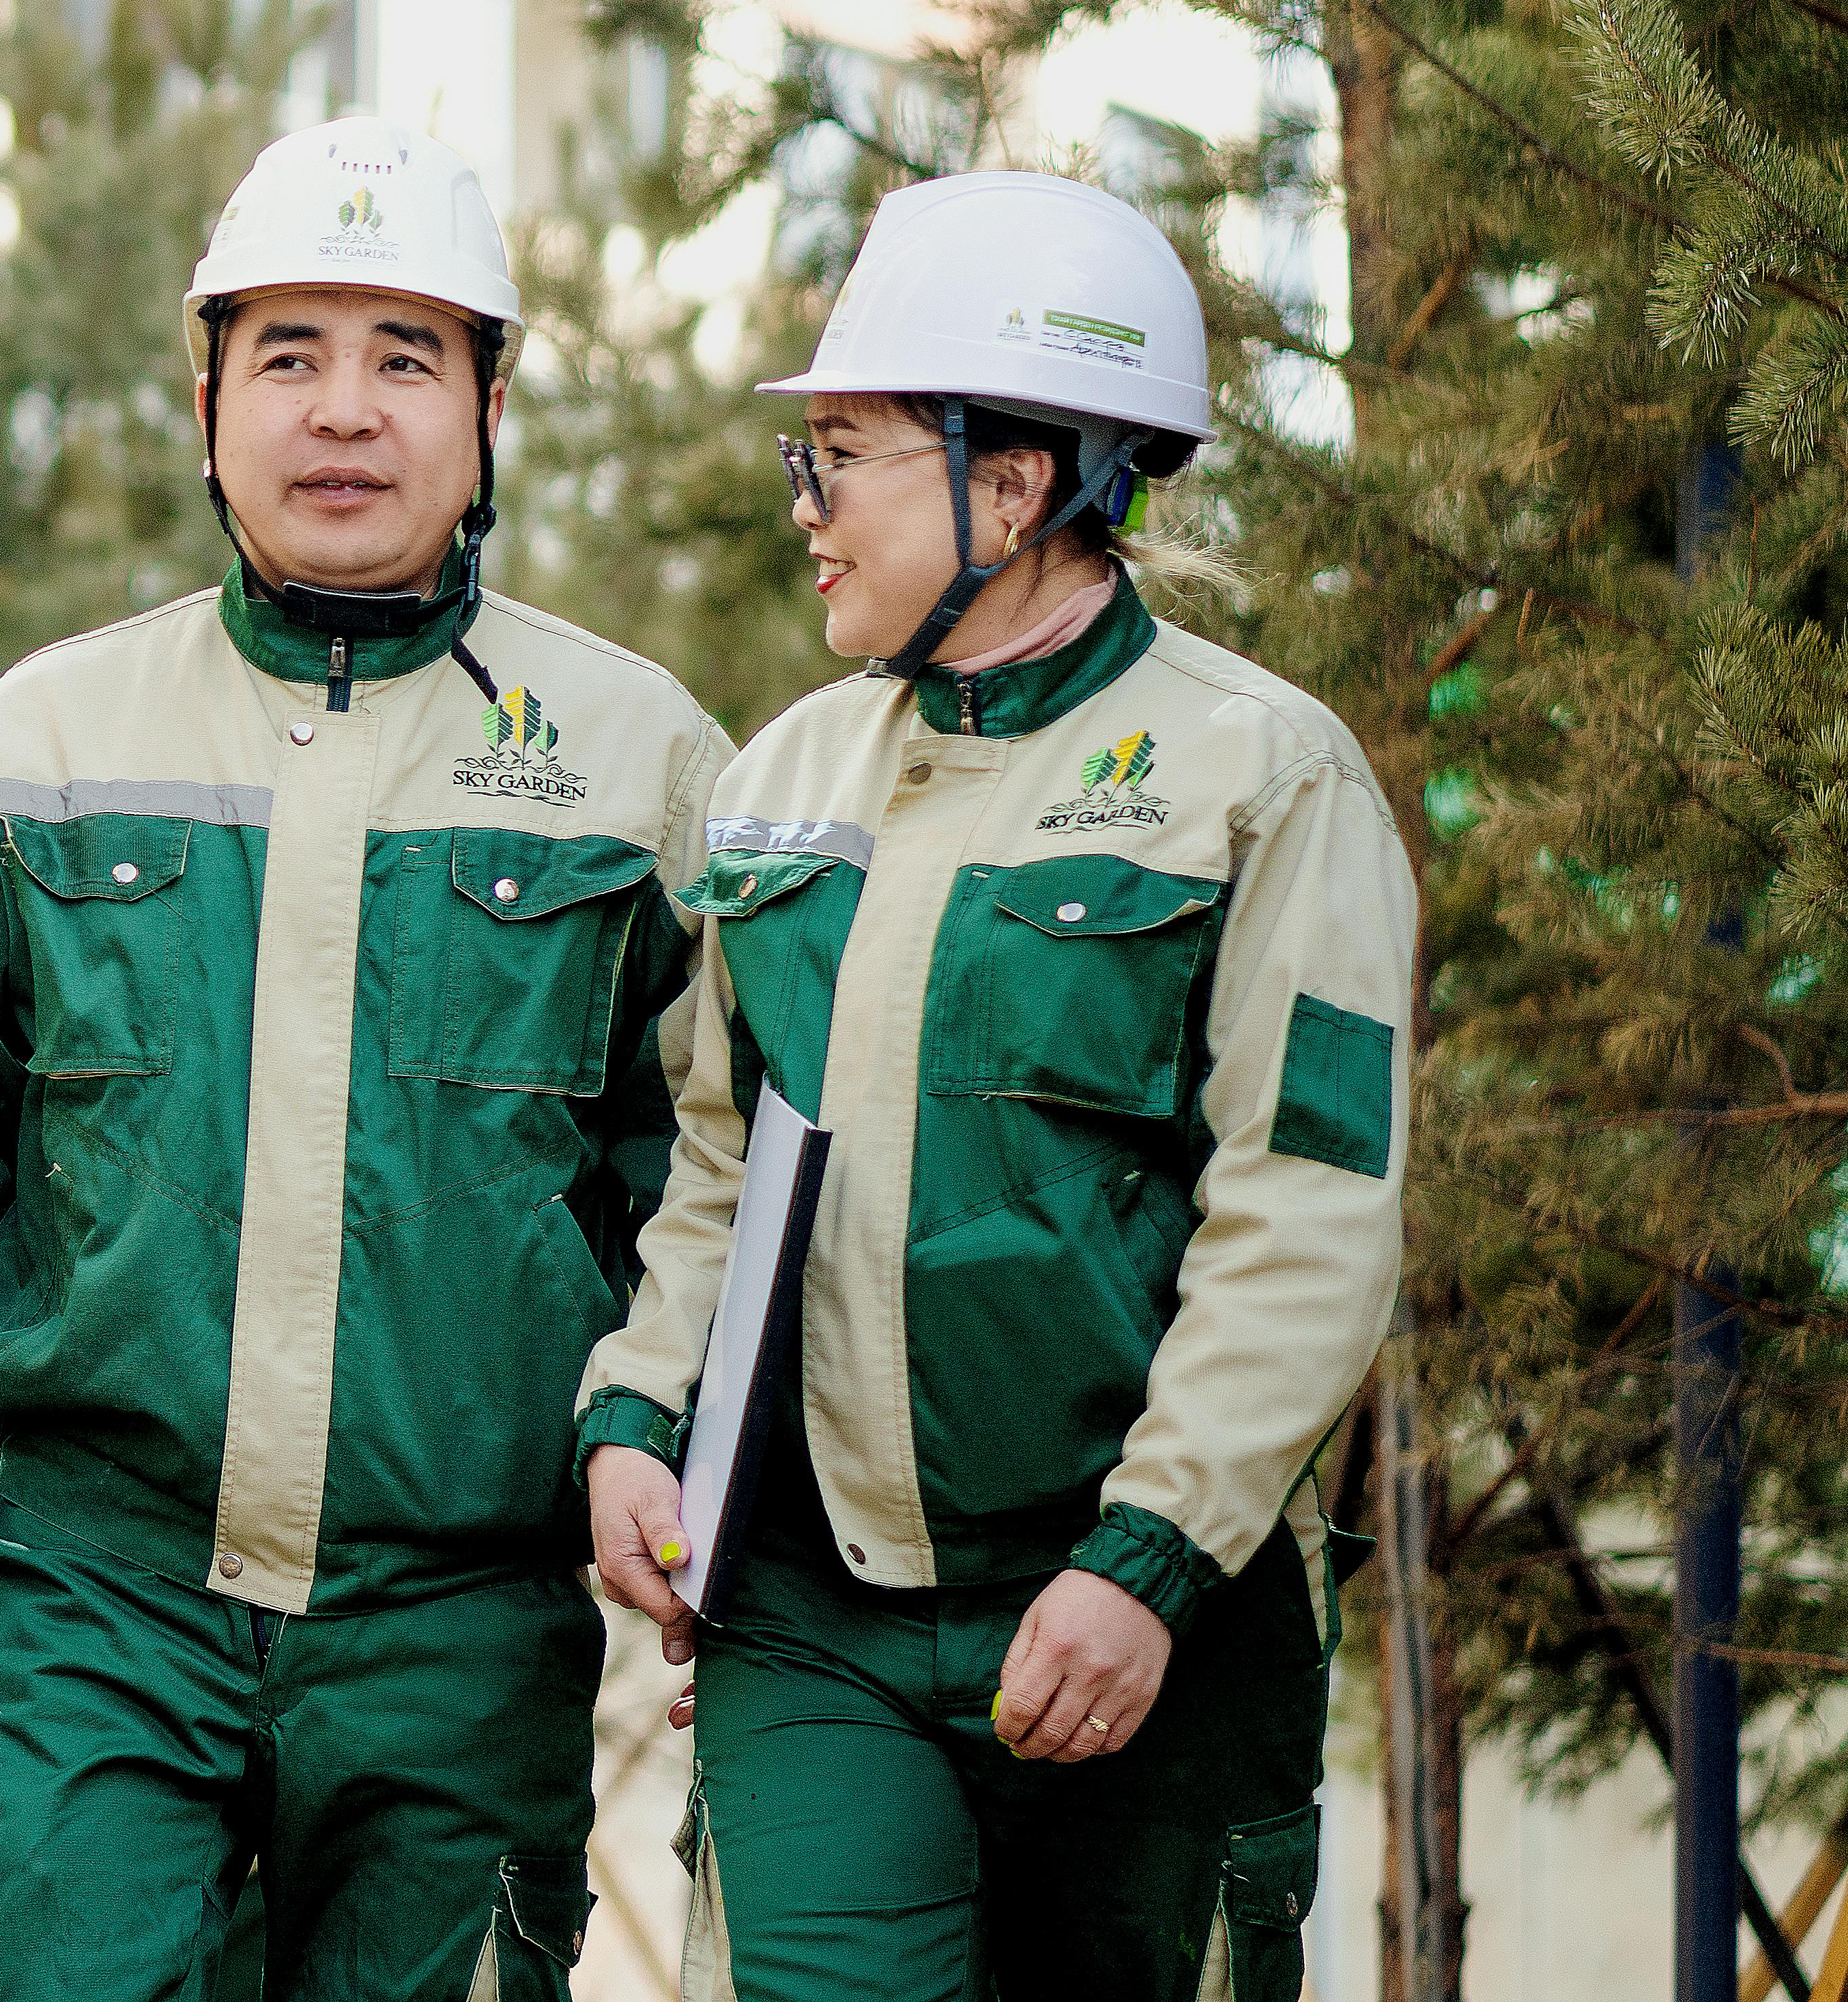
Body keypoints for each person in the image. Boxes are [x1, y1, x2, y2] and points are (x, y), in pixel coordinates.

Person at [0, 115, 727, 2001]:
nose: (343, 412)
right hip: (96, 1603)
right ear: (207, 400)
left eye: (403, 358)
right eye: (289, 355)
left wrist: (662, 1437)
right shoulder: (46, 737)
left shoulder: (644, 763)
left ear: (487, 408)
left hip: (464, 1622)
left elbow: (716, 1175)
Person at [574, 172, 1408, 2001]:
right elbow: (720, 1162)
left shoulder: (1265, 778)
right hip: (814, 1628)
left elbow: (1312, 1212)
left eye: (843, 455)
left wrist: (1151, 1558)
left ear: (1012, 481)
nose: (805, 508)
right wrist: (637, 1411)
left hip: (1138, 1625)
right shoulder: (783, 778)